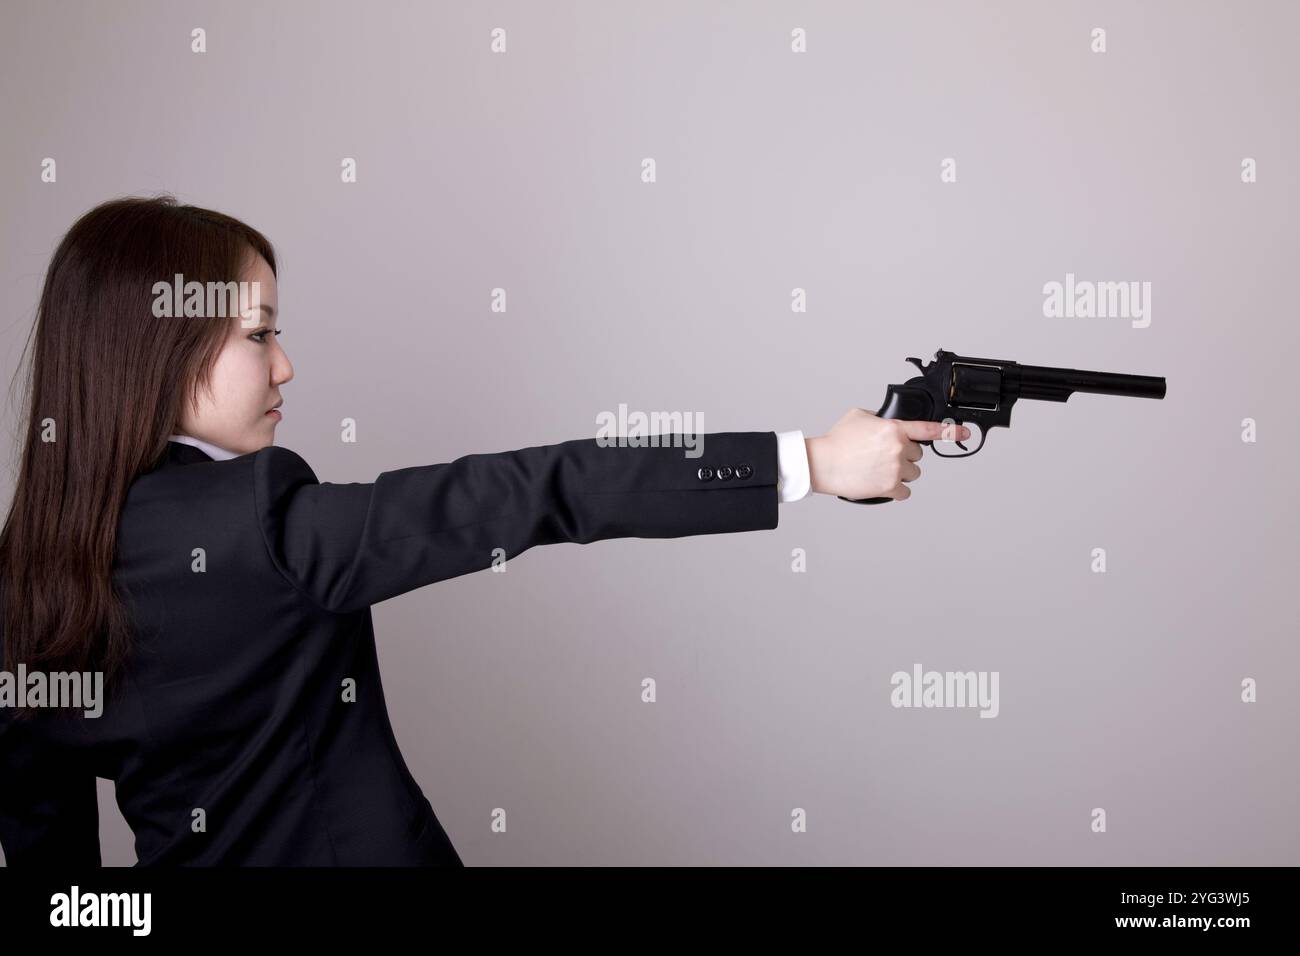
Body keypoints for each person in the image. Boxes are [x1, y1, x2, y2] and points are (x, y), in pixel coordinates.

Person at [0, 196, 967, 866]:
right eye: (259, 334)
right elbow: (535, 493)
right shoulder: (264, 522)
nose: (286, 365)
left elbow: (51, 873)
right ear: (160, 346)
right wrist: (809, 463)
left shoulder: (29, 576)